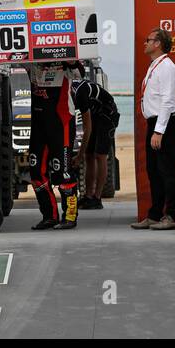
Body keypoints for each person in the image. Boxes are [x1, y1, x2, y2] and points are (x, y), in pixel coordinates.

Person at [131, 28, 175, 230]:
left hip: (165, 122)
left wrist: (159, 131)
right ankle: (154, 213)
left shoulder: (166, 66)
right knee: (153, 170)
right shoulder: (155, 66)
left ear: (158, 43)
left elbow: (168, 101)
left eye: (148, 40)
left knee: (166, 170)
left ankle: (171, 215)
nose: (145, 43)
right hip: (155, 122)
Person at [27, 63, 79, 230]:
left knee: (63, 173)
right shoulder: (31, 60)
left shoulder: (67, 60)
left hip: (61, 122)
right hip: (38, 124)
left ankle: (70, 217)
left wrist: (71, 62)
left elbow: (79, 73)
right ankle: (50, 216)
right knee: (36, 173)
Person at [70, 74, 119, 210]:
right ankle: (88, 196)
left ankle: (97, 198)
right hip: (95, 112)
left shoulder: (79, 94)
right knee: (88, 156)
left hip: (108, 114)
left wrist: (78, 156)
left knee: (99, 155)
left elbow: (87, 128)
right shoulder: (69, 90)